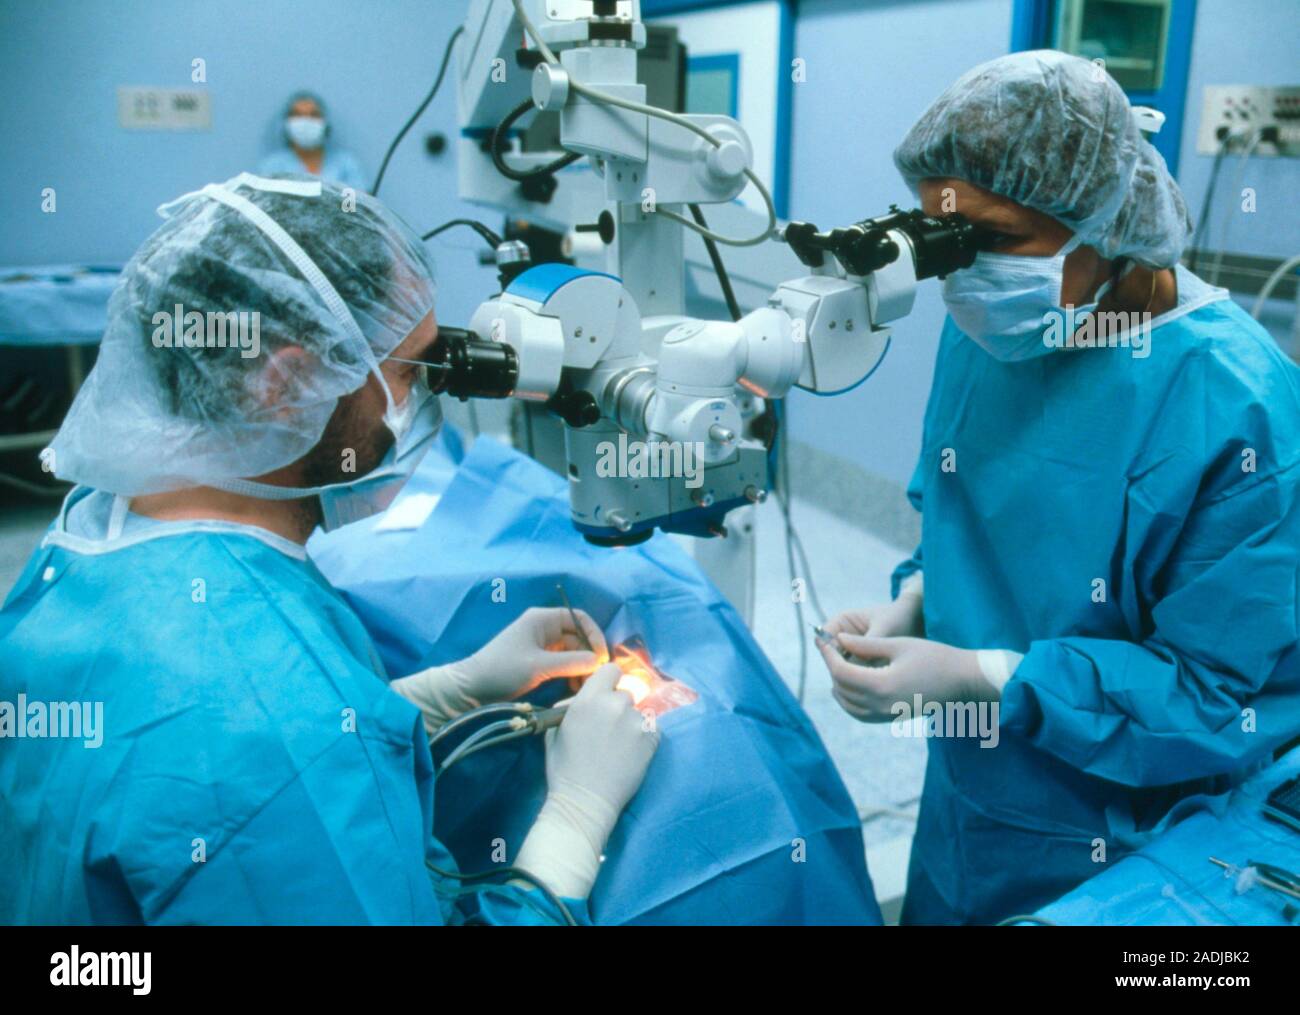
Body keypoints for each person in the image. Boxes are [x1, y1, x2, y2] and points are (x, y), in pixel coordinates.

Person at [0, 172, 657, 925]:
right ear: (285, 387)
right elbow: (270, 754)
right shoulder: (281, 734)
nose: (418, 408)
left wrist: (445, 691)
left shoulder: (91, 538)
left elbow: (171, 758)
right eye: (407, 374)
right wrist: (576, 819)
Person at [818, 51, 1300, 925]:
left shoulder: (1240, 407)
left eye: (992, 239)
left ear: (1106, 220)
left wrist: (982, 674)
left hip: (1132, 827)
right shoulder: (1000, 328)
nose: (963, 273)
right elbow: (969, 520)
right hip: (973, 796)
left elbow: (1206, 695)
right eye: (943, 238)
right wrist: (921, 602)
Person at [257, 91, 368, 191]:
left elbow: (355, 206)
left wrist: (342, 210)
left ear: (325, 124)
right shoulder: (273, 165)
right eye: (297, 115)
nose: (305, 121)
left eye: (314, 115)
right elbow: (267, 204)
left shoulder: (345, 164)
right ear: (286, 123)